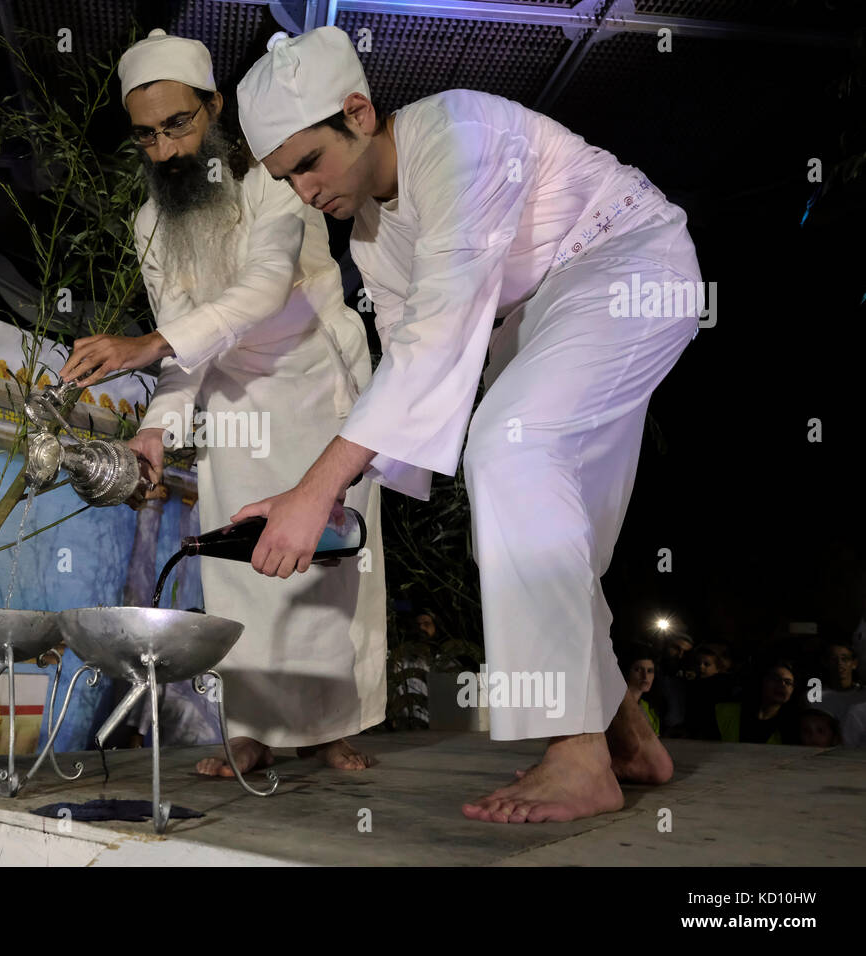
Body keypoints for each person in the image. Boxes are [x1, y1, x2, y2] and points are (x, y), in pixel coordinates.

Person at [232, 27, 702, 822]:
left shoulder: (457, 131)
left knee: (511, 450)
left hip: (628, 262)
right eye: (288, 180)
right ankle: (626, 736)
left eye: (310, 162)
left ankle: (575, 754)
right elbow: (404, 370)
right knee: (540, 524)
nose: (306, 193)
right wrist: (319, 496)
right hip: (542, 314)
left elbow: (440, 332)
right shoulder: (372, 239)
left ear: (358, 111)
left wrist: (316, 490)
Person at [58, 29, 387, 774]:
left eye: (179, 124)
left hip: (316, 389)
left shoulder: (274, 178)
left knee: (330, 563)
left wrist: (147, 343)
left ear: (213, 108)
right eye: (147, 136)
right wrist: (153, 434)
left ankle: (336, 725)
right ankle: (253, 729)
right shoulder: (151, 222)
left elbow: (263, 289)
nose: (166, 149)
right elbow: (187, 351)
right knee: (240, 568)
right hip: (234, 407)